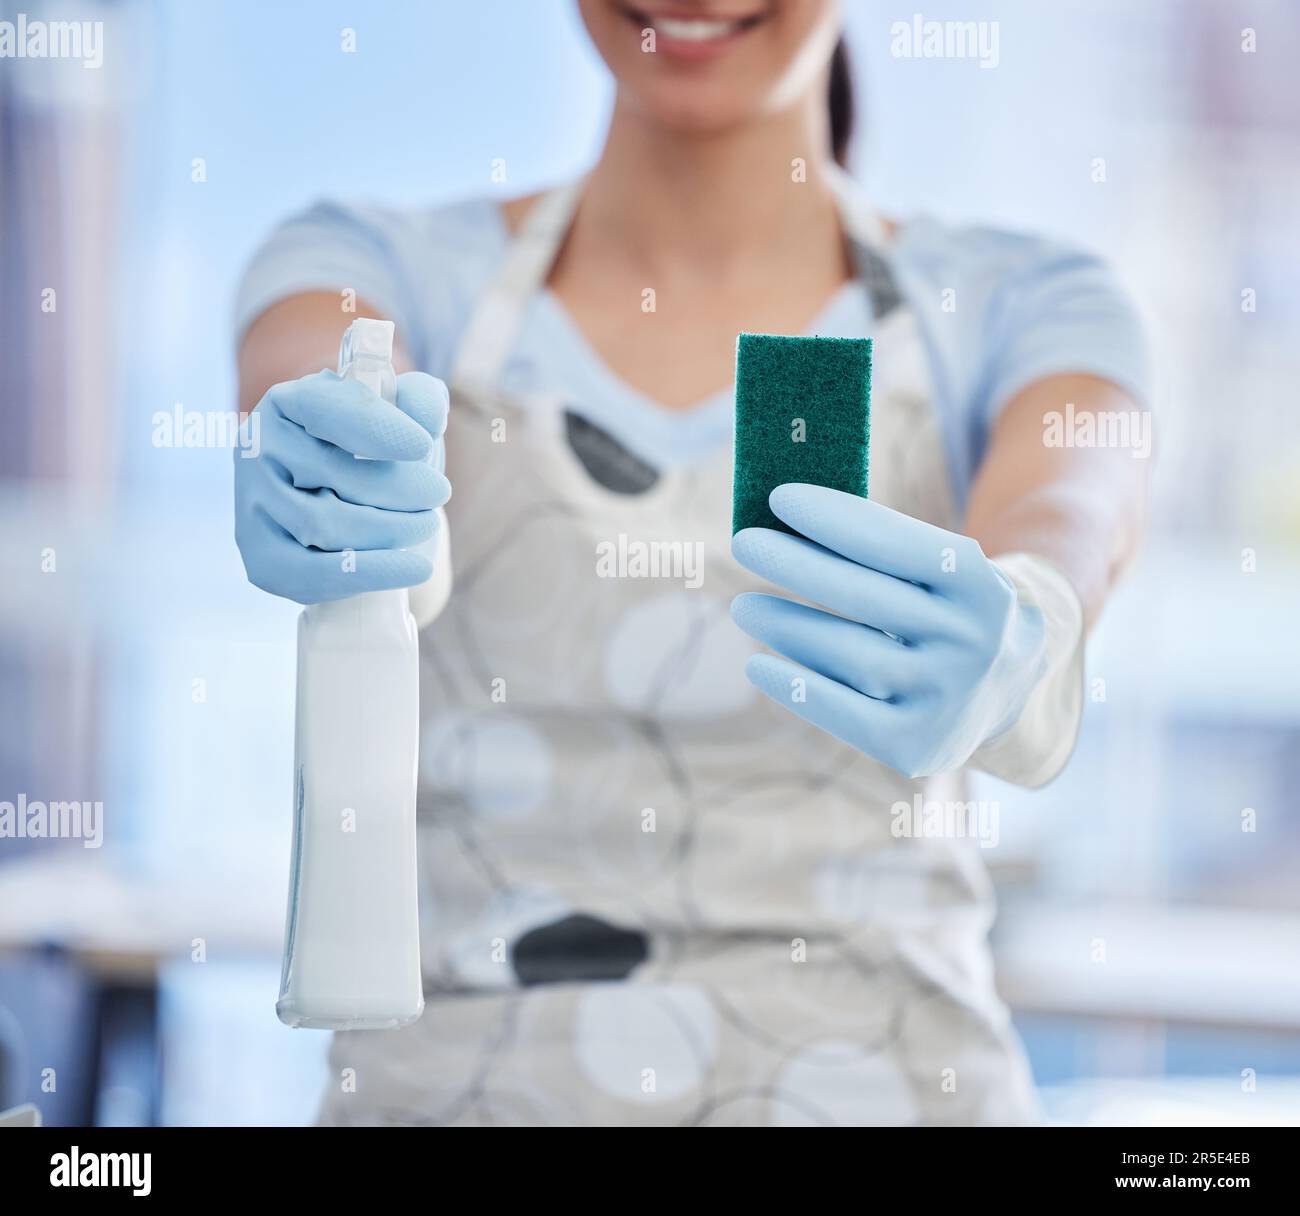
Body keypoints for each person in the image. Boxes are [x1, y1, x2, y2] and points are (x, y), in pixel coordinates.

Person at [233, 0, 1149, 1125]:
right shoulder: (371, 265)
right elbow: (305, 366)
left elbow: (1071, 502)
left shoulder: (1026, 303)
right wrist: (320, 468)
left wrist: (1031, 630)